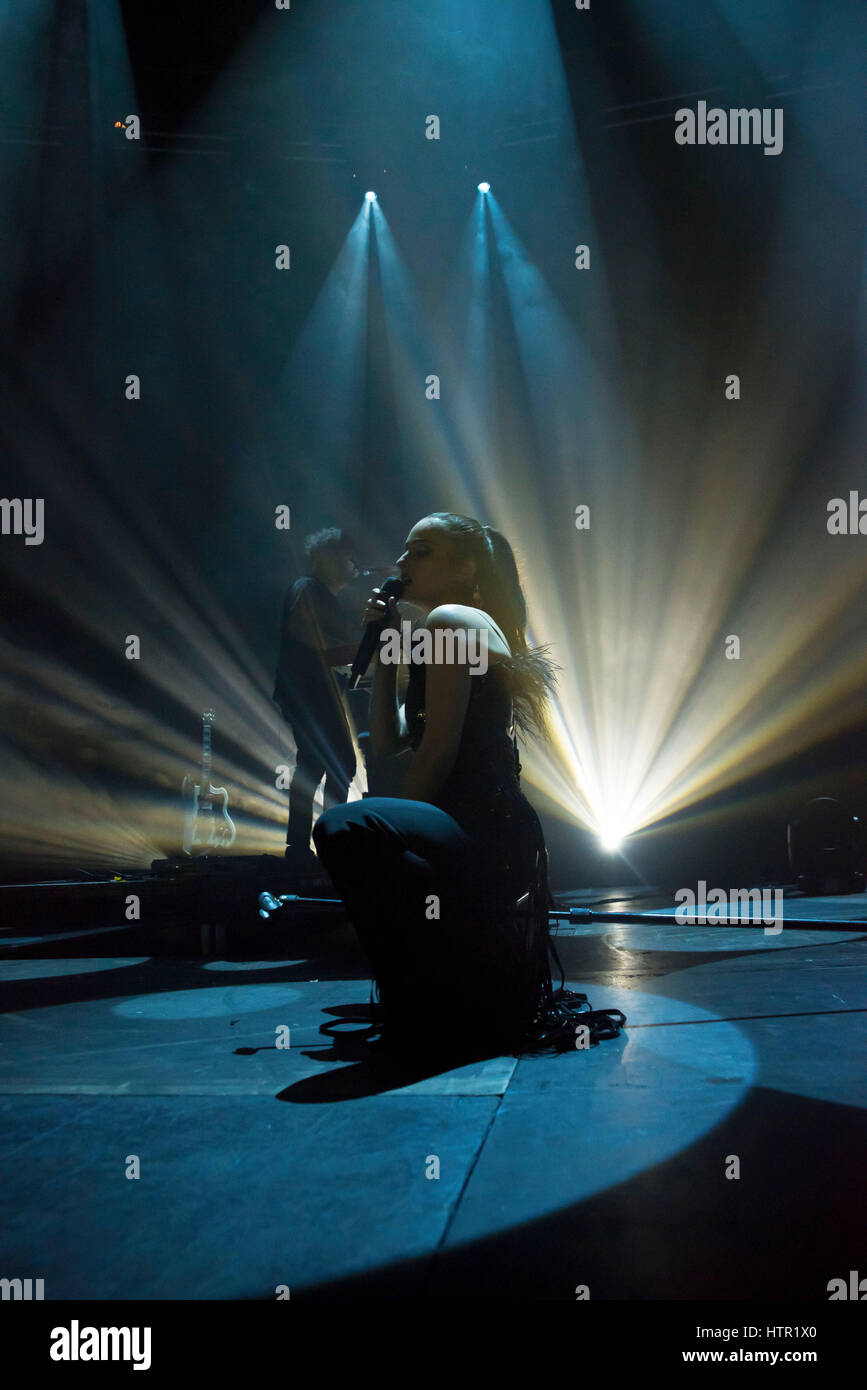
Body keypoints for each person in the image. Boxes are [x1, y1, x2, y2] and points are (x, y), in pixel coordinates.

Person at [312, 512, 624, 1058]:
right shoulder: (440, 630)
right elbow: (389, 742)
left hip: (482, 825)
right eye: (405, 550)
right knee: (370, 840)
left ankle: (420, 1001)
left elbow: (439, 752)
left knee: (346, 826)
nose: (403, 561)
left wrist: (396, 827)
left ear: (467, 566)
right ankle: (435, 998)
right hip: (460, 824)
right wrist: (386, 648)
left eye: (423, 551)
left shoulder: (454, 619)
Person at [273, 528, 360, 867]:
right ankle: (323, 843)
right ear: (324, 557)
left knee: (318, 764)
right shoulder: (307, 589)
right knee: (335, 764)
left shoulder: (322, 594)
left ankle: (307, 845)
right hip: (306, 693)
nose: (352, 563)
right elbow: (303, 633)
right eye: (345, 556)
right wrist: (353, 653)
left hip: (313, 694)